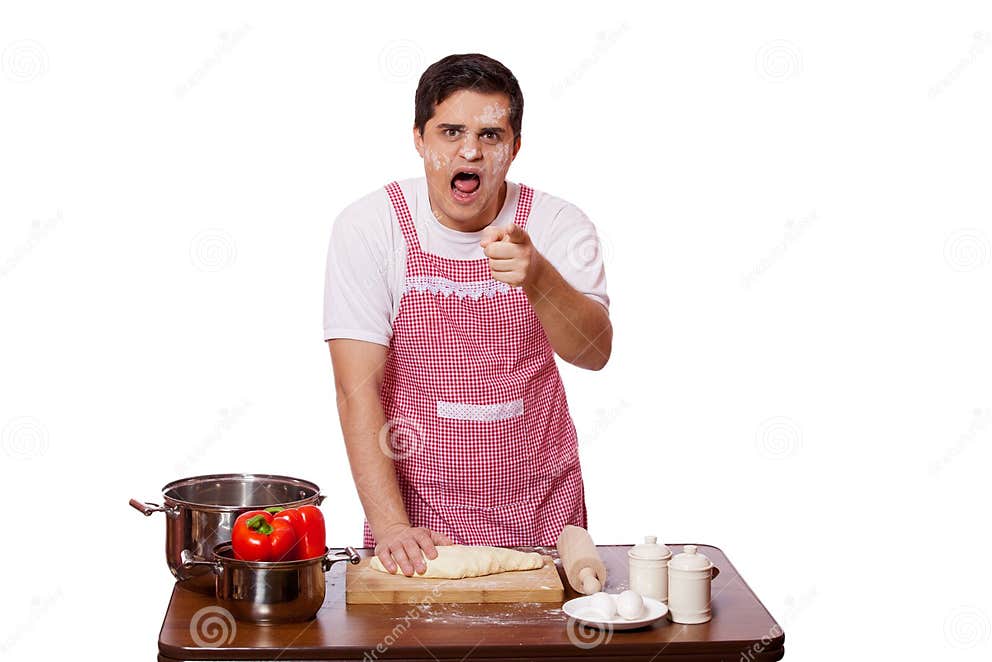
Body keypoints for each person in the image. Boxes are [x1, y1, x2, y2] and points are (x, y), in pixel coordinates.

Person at [324, 53, 612, 576]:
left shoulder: (558, 223)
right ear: (419, 138)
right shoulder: (369, 227)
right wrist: (390, 528)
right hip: (419, 524)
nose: (470, 152)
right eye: (450, 131)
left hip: (542, 512)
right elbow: (355, 390)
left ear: (515, 147)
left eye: (490, 136)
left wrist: (539, 278)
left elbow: (594, 353)